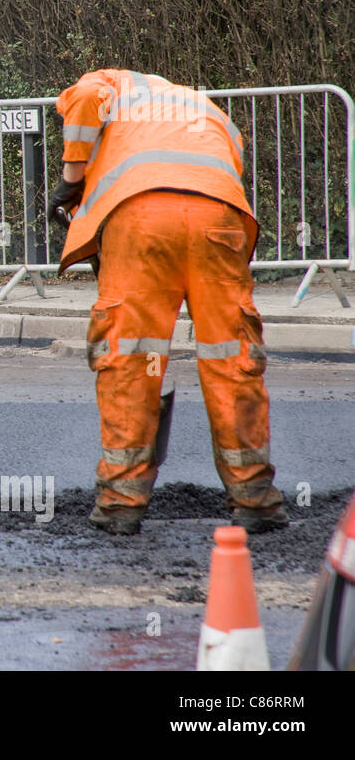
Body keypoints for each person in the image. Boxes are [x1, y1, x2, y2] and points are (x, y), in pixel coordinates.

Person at [49, 69, 288, 536]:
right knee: (231, 357)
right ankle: (254, 498)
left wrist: (70, 181)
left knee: (130, 359)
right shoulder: (205, 108)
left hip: (141, 222)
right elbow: (224, 165)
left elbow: (86, 100)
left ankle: (122, 501)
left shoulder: (111, 84)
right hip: (219, 219)